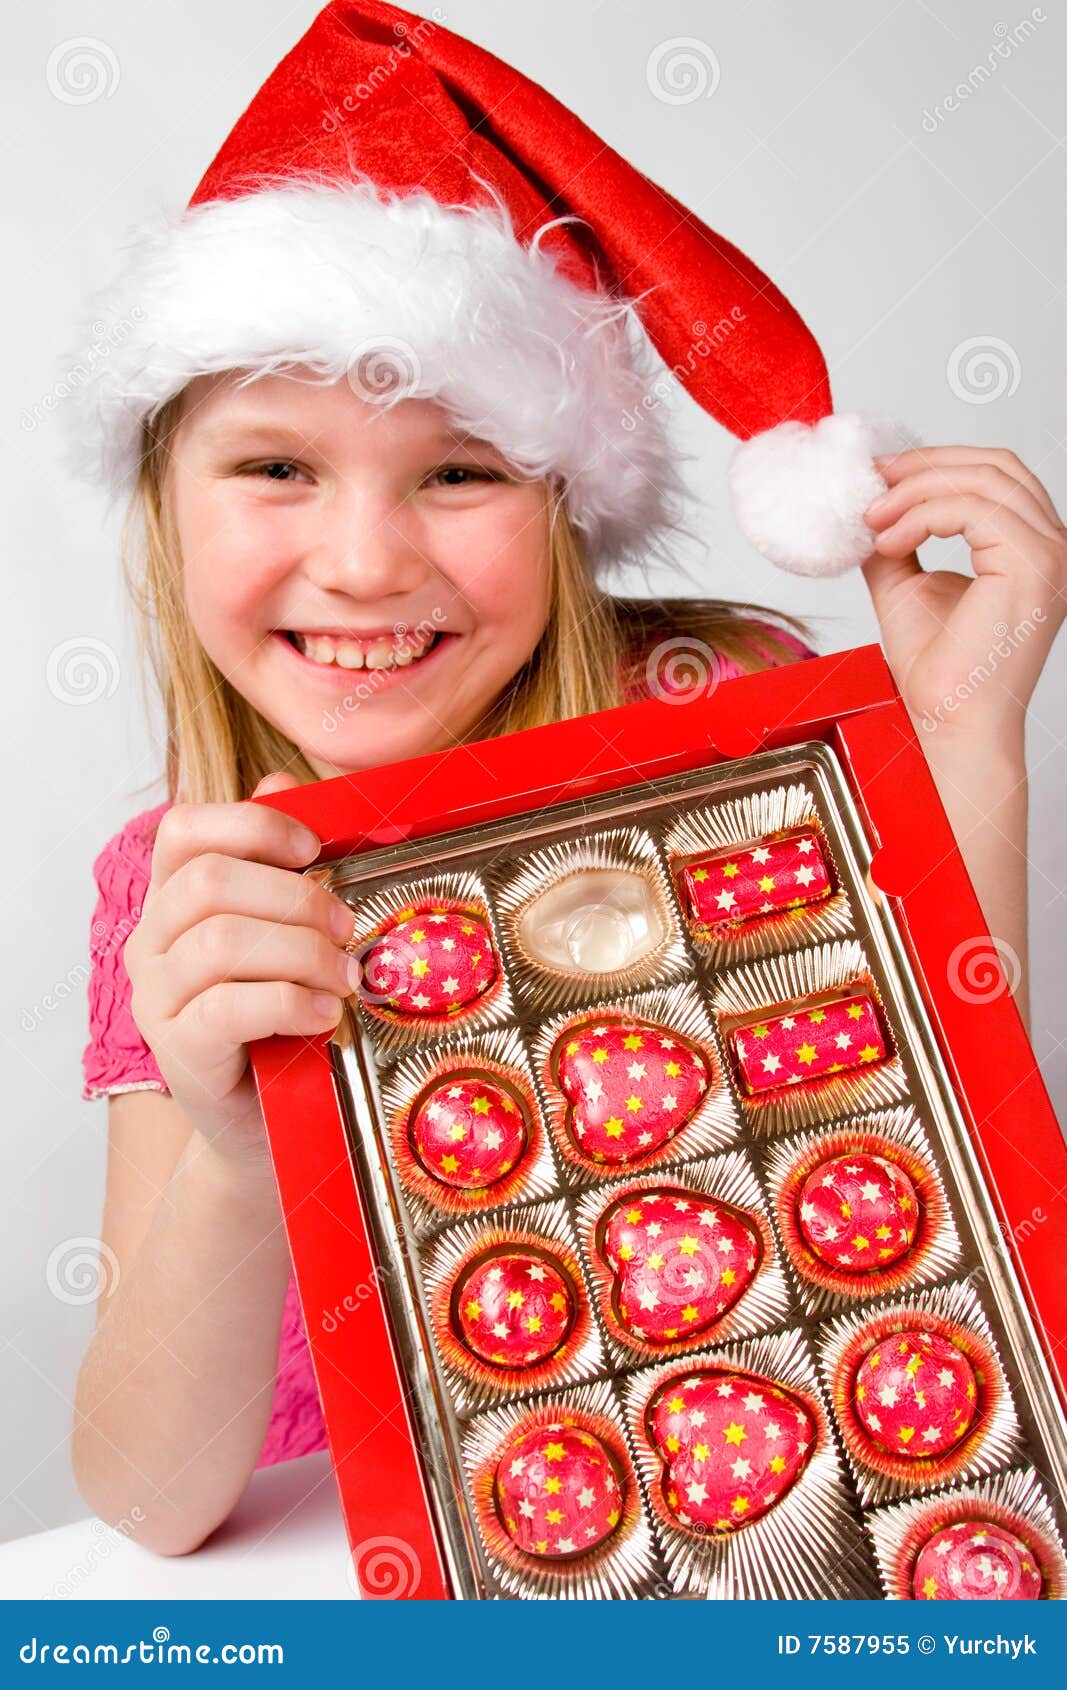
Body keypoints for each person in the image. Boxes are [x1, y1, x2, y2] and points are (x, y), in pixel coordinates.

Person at [68, 0, 1065, 1556]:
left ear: (564, 510)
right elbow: (145, 1498)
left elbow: (960, 1176)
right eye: (275, 465)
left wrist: (966, 747)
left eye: (458, 470)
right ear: (166, 504)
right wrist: (228, 1146)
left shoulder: (734, 719)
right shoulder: (188, 884)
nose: (363, 559)